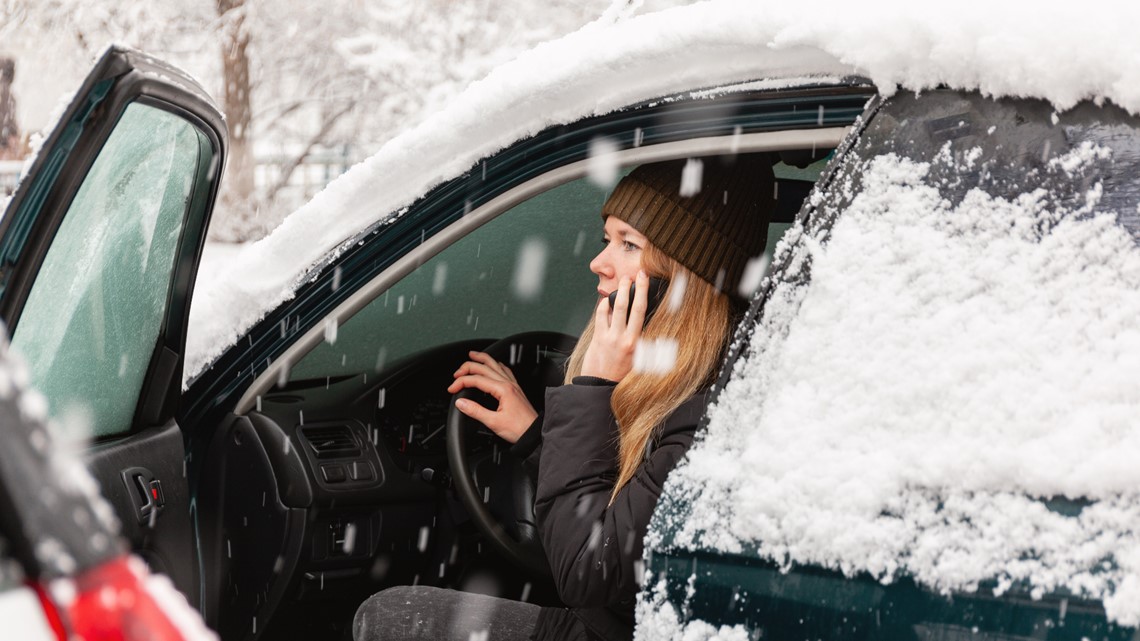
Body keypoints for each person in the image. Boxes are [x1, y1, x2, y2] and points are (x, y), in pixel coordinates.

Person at [354, 154, 776, 641]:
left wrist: (594, 388)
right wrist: (536, 439)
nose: (599, 262)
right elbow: (625, 511)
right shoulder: (694, 380)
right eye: (606, 240)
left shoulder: (709, 413)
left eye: (628, 244)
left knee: (389, 616)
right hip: (623, 622)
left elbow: (586, 568)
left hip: (614, 628)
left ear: (682, 278)